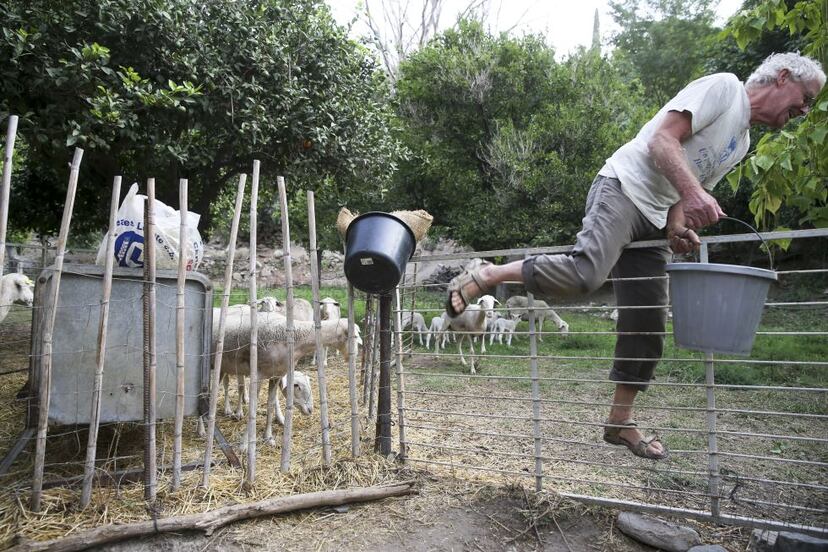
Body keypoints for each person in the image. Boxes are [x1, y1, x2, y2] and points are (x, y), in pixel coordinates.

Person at [446, 52, 826, 460]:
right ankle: (488, 275)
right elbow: (662, 141)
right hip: (622, 188)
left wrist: (678, 226)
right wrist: (697, 196)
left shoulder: (744, 142)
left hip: (656, 215)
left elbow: (687, 185)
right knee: (585, 274)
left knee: (648, 321)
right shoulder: (724, 89)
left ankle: (619, 421)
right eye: (805, 98)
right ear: (783, 77)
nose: (804, 110)